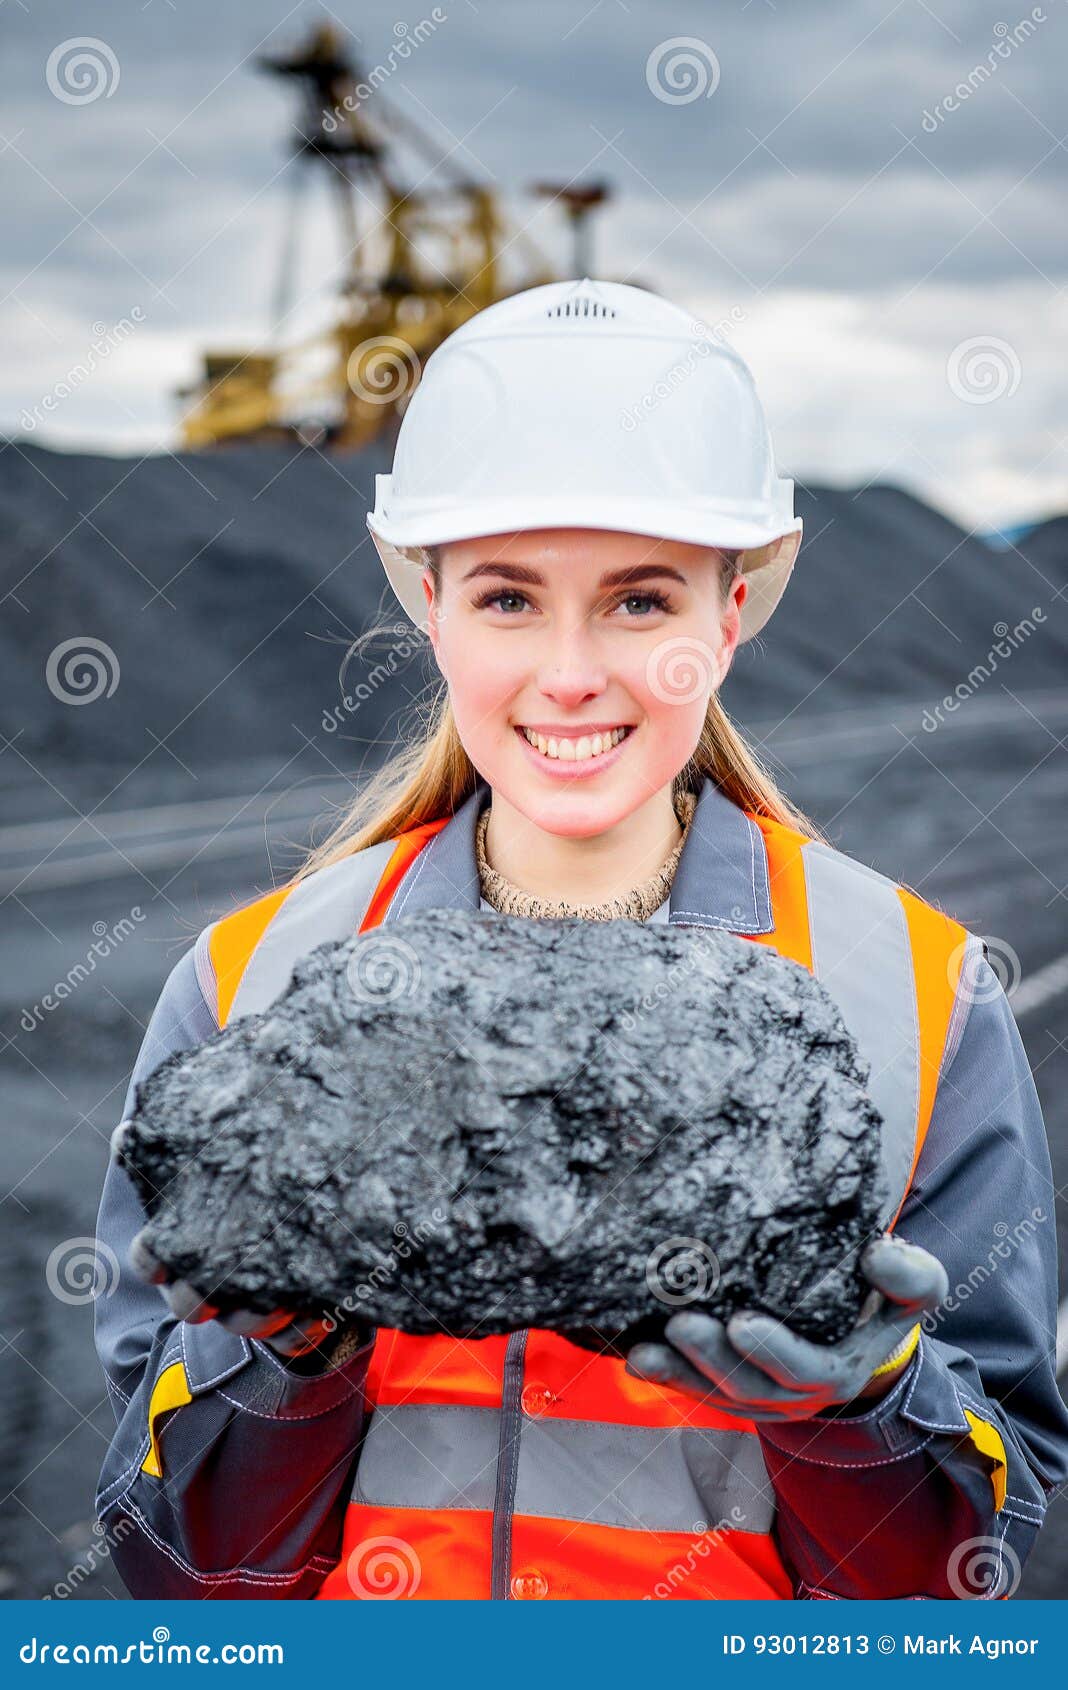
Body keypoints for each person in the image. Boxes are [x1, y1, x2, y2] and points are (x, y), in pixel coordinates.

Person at [94, 278, 1068, 1601]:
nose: (570, 672)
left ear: (730, 614)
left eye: (640, 600)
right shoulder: (247, 984)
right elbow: (182, 1577)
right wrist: (283, 1365)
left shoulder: (922, 999)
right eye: (506, 599)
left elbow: (961, 1584)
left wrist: (861, 1404)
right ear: (429, 604)